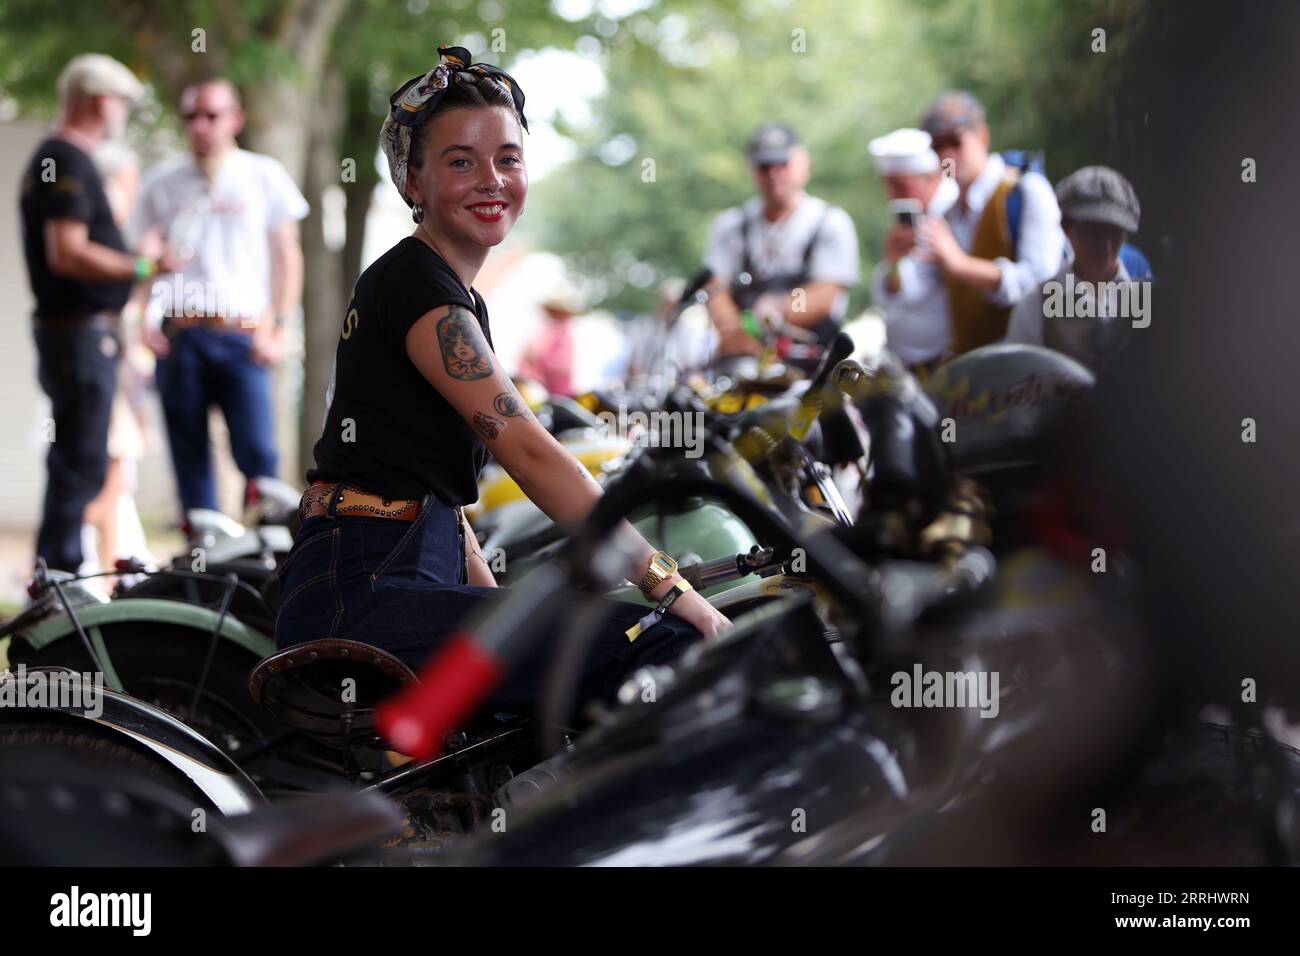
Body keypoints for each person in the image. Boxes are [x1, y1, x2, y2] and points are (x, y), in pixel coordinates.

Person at [276, 46, 730, 721]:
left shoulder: (442, 291)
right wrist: (674, 590)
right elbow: (528, 450)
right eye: (461, 161)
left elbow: (428, 484)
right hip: (363, 595)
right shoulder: (419, 286)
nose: (491, 179)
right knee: (658, 644)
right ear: (414, 183)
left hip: (376, 580)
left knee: (520, 720)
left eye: (508, 159)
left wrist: (489, 592)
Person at [18, 54, 178, 574]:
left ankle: (56, 578)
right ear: (101, 101)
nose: (123, 113)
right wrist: (143, 264)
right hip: (81, 338)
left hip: (78, 336)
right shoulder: (66, 158)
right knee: (80, 462)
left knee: (79, 459)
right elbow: (67, 251)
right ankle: (58, 582)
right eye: (123, 102)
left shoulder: (59, 157)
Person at [134, 78, 307, 521]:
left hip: (243, 336)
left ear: (236, 119)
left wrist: (280, 327)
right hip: (181, 335)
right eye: (191, 115)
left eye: (212, 115)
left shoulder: (263, 175)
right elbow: (142, 260)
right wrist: (141, 317)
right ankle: (203, 570)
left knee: (258, 456)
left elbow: (288, 255)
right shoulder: (161, 182)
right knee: (189, 460)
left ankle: (269, 560)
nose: (201, 125)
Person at [916, 91, 1065, 355]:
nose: (946, 154)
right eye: (937, 145)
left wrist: (961, 264)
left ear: (982, 135)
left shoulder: (1027, 190)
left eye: (954, 140)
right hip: (973, 374)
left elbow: (1042, 284)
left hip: (1029, 368)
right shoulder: (946, 214)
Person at [703, 123, 860, 362]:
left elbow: (826, 295)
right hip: (745, 361)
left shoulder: (829, 221)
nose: (774, 174)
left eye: (782, 164)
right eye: (764, 166)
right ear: (753, 170)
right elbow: (715, 289)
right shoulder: (730, 226)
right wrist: (737, 334)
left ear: (804, 165)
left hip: (810, 363)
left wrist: (773, 313)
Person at [1004, 166, 1149, 369]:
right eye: (1093, 232)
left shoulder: (1146, 299)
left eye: (1115, 232)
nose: (1106, 245)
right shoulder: (1035, 307)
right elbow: (1018, 381)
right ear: (1066, 227)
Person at [868, 127, 959, 373]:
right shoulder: (915, 220)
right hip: (907, 363)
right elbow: (901, 292)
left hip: (949, 361)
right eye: (889, 185)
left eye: (900, 185)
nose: (893, 195)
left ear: (931, 177)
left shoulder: (956, 212)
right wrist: (894, 261)